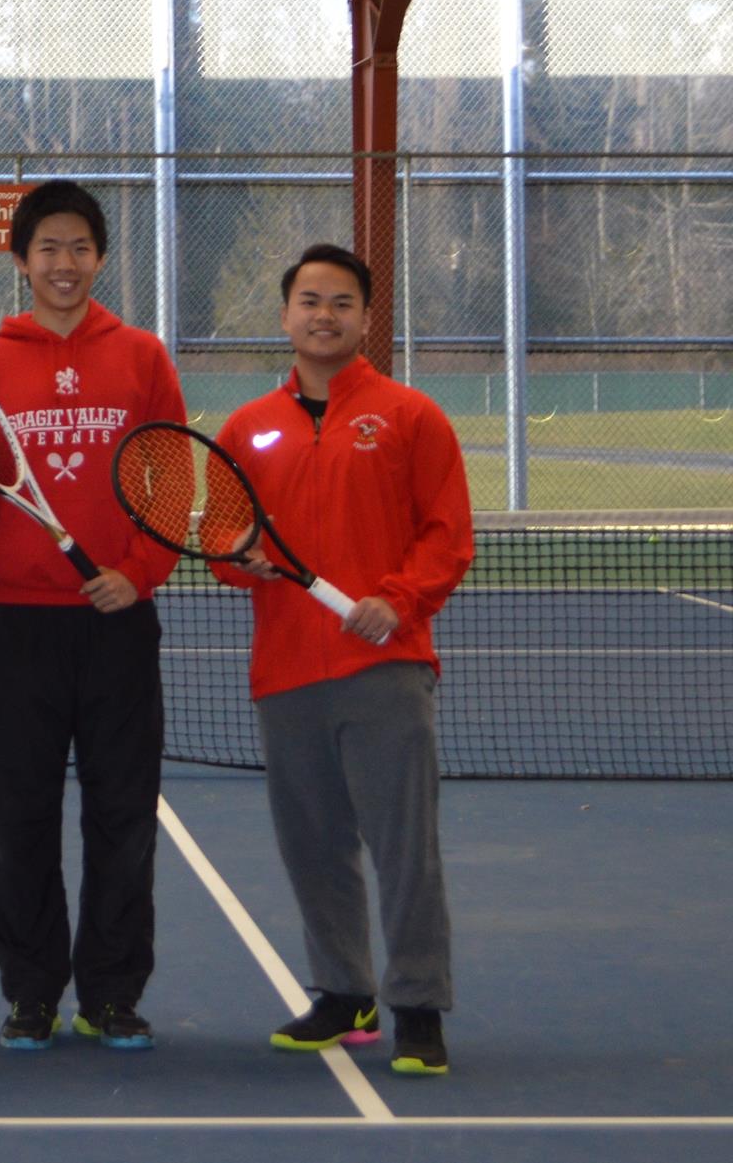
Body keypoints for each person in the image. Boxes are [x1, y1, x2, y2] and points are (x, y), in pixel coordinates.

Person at [212, 243, 472, 1077]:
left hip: (384, 668)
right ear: (286, 314)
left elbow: (447, 534)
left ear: (366, 317)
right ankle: (343, 991)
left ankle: (419, 1005)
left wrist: (398, 599)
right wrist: (237, 553)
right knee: (314, 845)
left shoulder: (411, 416)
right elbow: (220, 539)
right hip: (285, 671)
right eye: (310, 301)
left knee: (404, 848)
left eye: (342, 303)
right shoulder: (245, 428)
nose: (324, 315)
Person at [0, 180, 186, 1053]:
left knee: (123, 816)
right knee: (19, 818)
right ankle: (32, 991)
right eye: (48, 247)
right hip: (22, 627)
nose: (64, 263)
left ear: (101, 257)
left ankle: (112, 992)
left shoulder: (143, 356)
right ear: (20, 260)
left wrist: (139, 571)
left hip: (119, 623)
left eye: (80, 246)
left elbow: (175, 477)